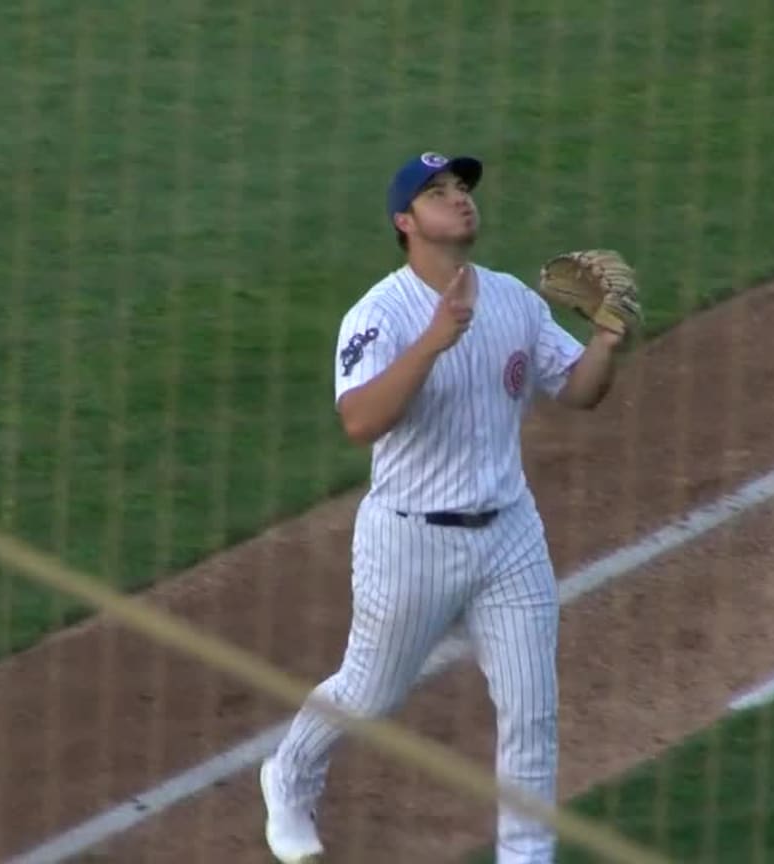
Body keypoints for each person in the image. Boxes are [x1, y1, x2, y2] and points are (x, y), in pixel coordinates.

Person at [259, 151, 625, 863]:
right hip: (410, 539)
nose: (459, 199)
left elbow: (579, 389)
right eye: (438, 192)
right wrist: (431, 342)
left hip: (510, 535)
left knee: (532, 713)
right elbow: (360, 420)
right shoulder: (379, 315)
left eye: (462, 187)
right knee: (371, 693)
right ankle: (290, 773)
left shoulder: (513, 300)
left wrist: (607, 340)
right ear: (405, 222)